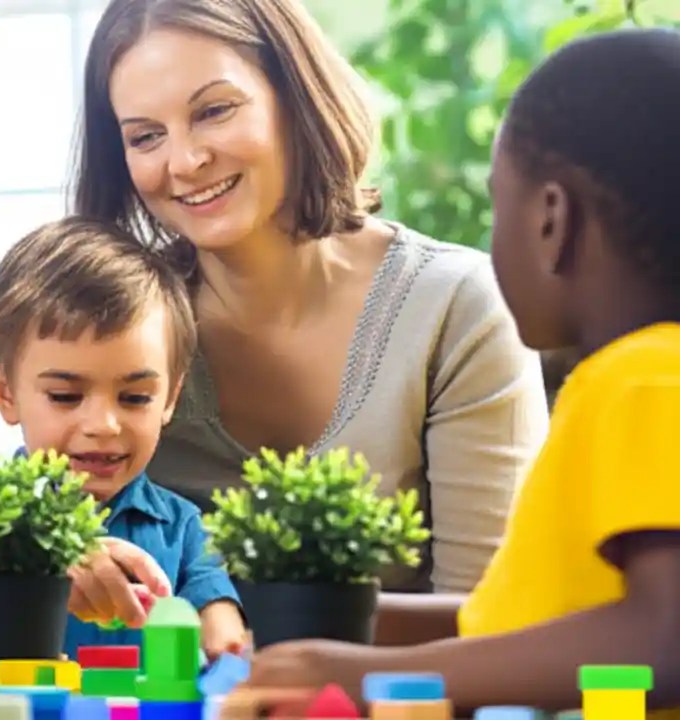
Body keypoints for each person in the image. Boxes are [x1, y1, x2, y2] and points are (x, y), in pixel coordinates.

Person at [245, 28, 680, 716]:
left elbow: (665, 640)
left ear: (550, 220)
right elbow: (525, 630)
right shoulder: (632, 381)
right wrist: (345, 636)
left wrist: (364, 679)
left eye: (497, 204)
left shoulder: (646, 377)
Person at [74, 0, 550, 605]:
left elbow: (487, 620)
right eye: (145, 137)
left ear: (294, 97)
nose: (185, 162)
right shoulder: (119, 327)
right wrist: (48, 552)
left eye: (214, 111)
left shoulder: (455, 308)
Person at [0, 217, 245, 660]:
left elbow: (220, 626)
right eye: (65, 396)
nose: (104, 424)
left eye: (135, 397)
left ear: (170, 398)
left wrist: (225, 641)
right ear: (6, 392)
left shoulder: (181, 527)